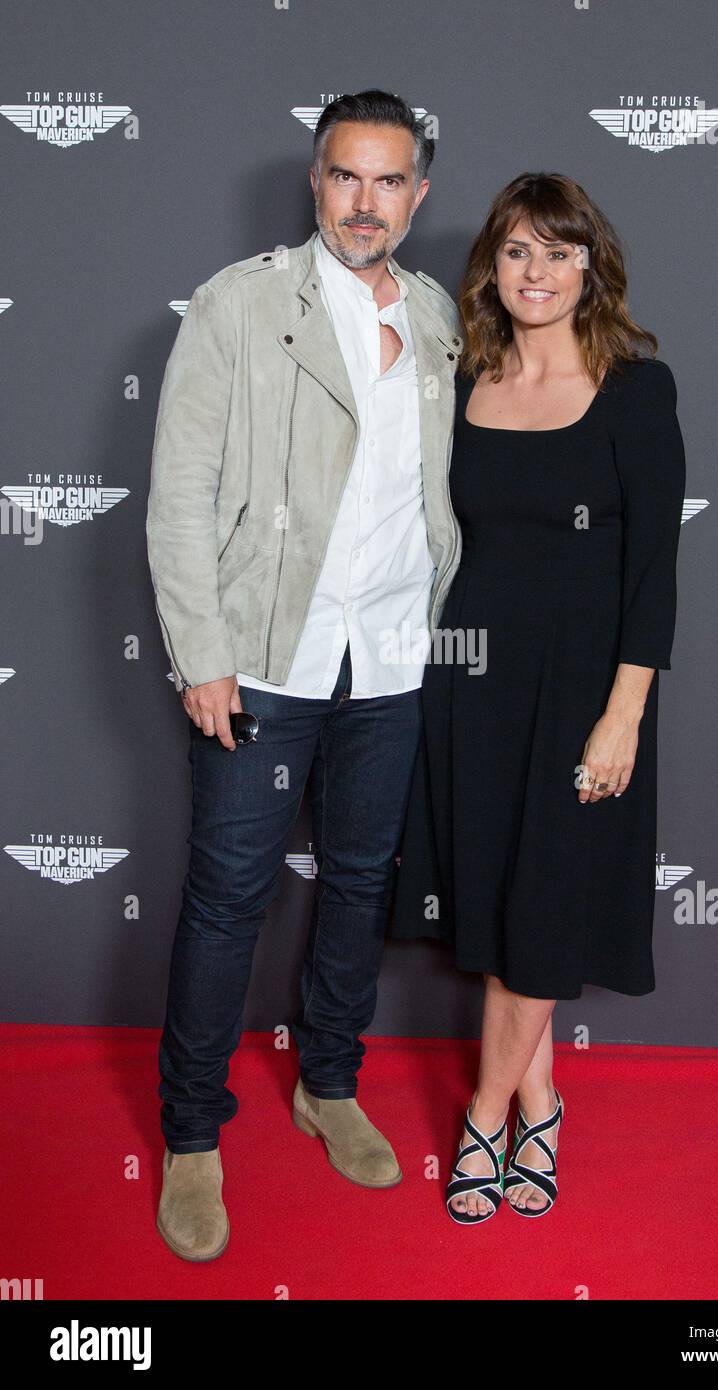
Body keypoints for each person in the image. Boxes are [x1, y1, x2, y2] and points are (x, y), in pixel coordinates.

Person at [145, 90, 464, 1261]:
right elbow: (178, 492)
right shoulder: (240, 304)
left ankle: (328, 1082)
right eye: (345, 177)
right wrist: (203, 653)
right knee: (229, 896)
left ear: (416, 195)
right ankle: (190, 1135)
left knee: (359, 883)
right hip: (263, 653)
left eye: (389, 182)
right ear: (314, 182)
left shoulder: (435, 315)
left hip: (385, 655)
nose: (364, 203)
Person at [390, 172, 687, 1224]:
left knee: (543, 908)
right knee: (510, 909)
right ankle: (544, 1100)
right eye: (517, 251)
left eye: (559, 252)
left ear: (589, 266)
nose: (538, 272)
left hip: (582, 698)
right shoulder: (464, 383)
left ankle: (484, 1116)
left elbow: (652, 573)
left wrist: (622, 715)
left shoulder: (634, 388)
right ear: (492, 268)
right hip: (467, 692)